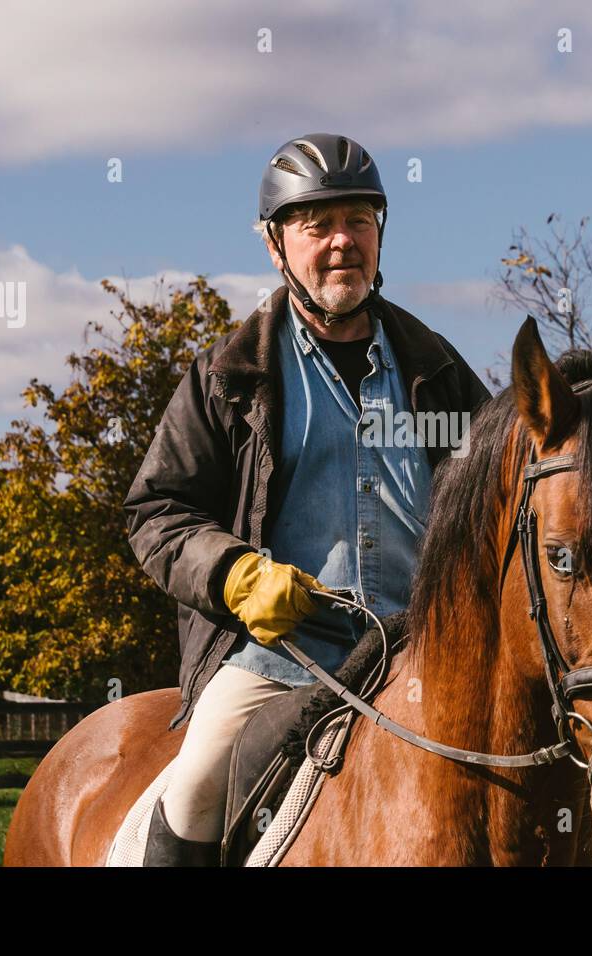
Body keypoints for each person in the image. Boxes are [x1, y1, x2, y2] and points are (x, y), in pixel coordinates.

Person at [122, 133, 492, 865]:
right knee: (195, 787)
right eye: (316, 225)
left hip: (428, 657)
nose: (340, 243)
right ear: (275, 245)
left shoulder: (440, 372)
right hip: (284, 656)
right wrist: (234, 573)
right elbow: (155, 511)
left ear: (380, 235)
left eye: (357, 220)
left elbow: (500, 510)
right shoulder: (230, 375)